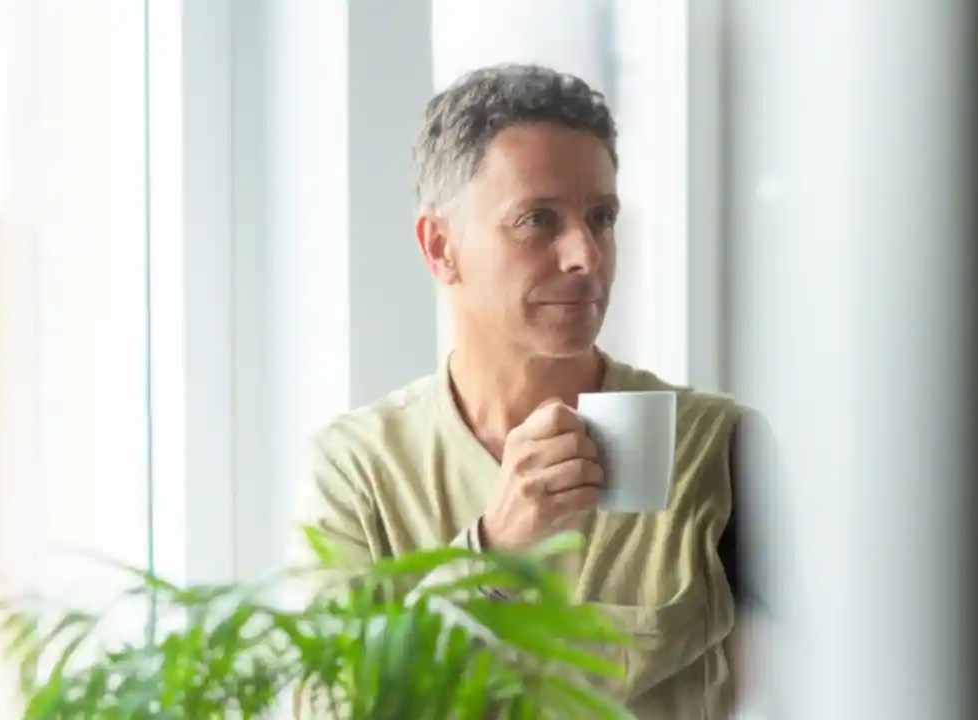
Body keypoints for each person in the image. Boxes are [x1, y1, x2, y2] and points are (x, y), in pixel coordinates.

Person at [295, 63, 757, 719]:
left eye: (602, 217)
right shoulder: (356, 469)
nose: (586, 256)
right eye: (537, 219)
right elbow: (327, 707)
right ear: (440, 247)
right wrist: (496, 547)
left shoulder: (721, 448)